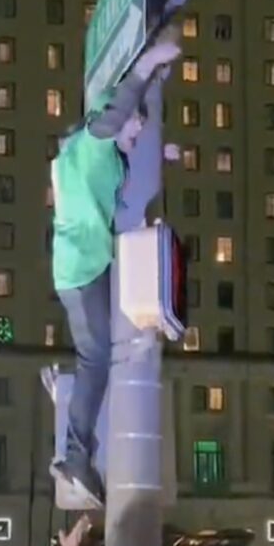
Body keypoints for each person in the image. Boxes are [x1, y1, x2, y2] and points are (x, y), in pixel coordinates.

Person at [47, 25, 183, 505]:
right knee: (95, 358)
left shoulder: (98, 155)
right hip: (80, 268)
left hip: (90, 262)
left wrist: (161, 153)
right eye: (135, 127)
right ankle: (75, 456)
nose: (137, 132)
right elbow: (115, 113)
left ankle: (77, 453)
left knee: (101, 354)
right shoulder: (93, 138)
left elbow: (122, 164)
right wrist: (147, 65)